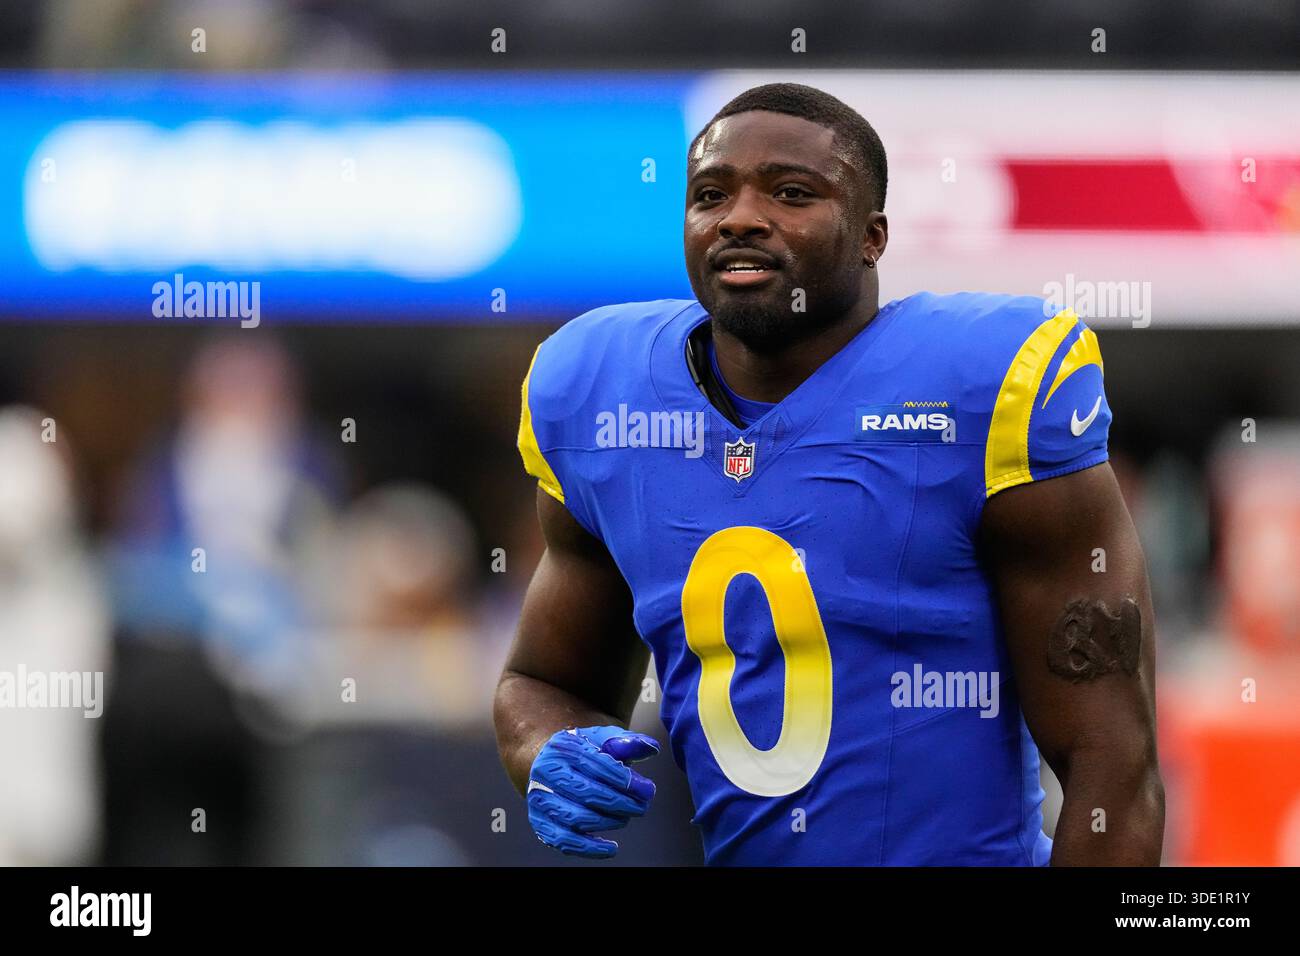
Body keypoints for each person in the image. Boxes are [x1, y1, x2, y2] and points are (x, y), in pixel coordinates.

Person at [494, 83, 1163, 865]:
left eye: (791, 193)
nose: (739, 216)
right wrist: (546, 751)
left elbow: (1115, 768)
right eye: (711, 194)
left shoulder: (982, 389)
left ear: (873, 236)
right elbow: (539, 680)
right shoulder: (600, 393)